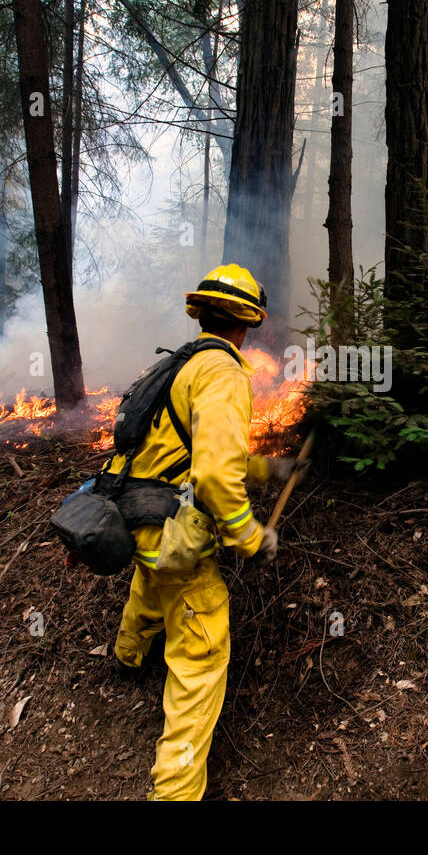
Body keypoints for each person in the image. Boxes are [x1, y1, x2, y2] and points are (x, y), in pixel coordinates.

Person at [107, 263, 288, 800]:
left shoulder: (180, 365)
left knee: (153, 580)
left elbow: (187, 453)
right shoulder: (224, 374)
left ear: (202, 312)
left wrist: (270, 469)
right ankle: (175, 792)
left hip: (133, 516)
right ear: (248, 322)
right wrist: (250, 537)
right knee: (200, 655)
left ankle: (127, 654)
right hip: (171, 530)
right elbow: (210, 477)